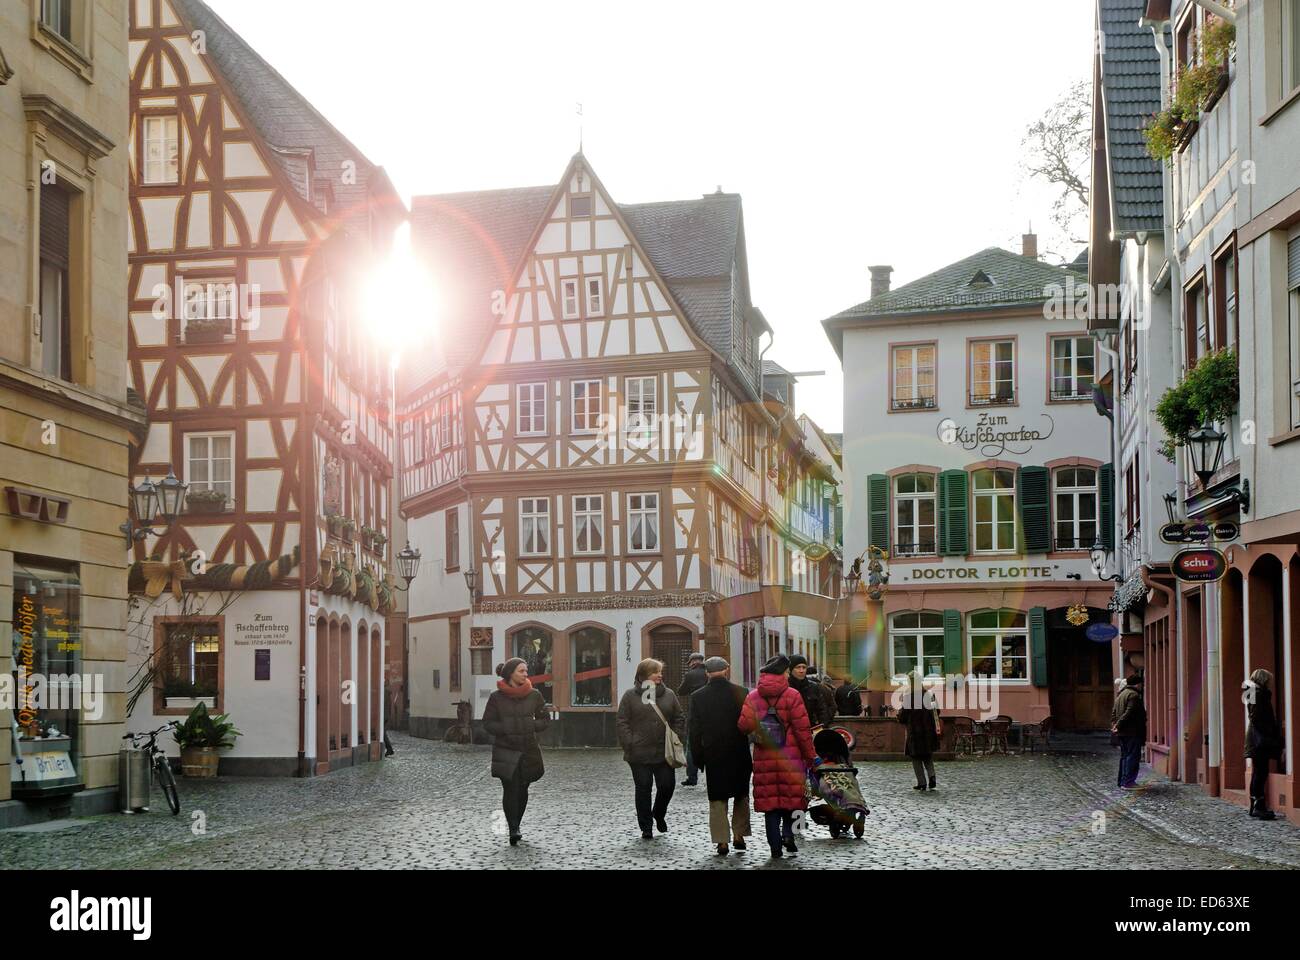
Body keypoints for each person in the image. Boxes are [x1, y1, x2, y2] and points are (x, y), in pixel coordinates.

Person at [738, 655, 816, 859]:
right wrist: (811, 757)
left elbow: (743, 726)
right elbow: (802, 730)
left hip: (765, 755)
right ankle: (788, 834)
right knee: (793, 798)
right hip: (791, 755)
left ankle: (774, 848)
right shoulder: (793, 695)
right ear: (784, 673)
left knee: (771, 804)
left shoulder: (753, 696)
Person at [687, 656, 753, 856]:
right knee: (741, 795)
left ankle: (721, 841)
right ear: (727, 669)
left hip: (714, 753)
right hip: (738, 751)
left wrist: (698, 757)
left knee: (717, 798)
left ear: (707, 672)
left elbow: (694, 730)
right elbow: (749, 723)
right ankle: (739, 835)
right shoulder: (741, 693)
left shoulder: (698, 696)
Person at [482, 658, 551, 846]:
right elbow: (487, 723)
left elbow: (545, 719)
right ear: (511, 673)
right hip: (506, 749)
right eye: (522, 671)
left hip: (528, 749)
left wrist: (530, 725)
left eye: (526, 670)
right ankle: (513, 828)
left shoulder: (534, 695)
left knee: (523, 788)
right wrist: (506, 728)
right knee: (510, 788)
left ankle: (517, 823)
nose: (526, 674)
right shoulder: (496, 697)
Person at [617, 658, 687, 839]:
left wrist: (676, 736)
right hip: (638, 753)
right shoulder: (630, 696)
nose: (659, 675)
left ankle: (658, 813)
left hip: (664, 752)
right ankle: (646, 826)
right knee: (643, 789)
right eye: (655, 672)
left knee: (667, 786)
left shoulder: (669, 694)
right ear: (643, 675)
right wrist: (629, 742)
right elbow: (622, 721)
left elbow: (679, 717)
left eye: (660, 672)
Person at [1244, 669, 1283, 821]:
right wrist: (1267, 735)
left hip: (1256, 740)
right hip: (1259, 741)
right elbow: (1257, 718)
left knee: (1258, 772)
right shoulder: (1259, 694)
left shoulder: (1253, 693)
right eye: (1268, 680)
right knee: (1260, 772)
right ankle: (1259, 806)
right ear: (1263, 680)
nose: (1270, 683)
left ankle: (1256, 805)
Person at [897, 670, 941, 790]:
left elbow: (903, 717)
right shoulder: (930, 694)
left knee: (916, 757)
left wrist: (898, 714)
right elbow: (937, 711)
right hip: (928, 731)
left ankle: (922, 782)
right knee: (927, 755)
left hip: (915, 732)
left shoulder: (909, 697)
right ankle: (932, 777)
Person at [676, 652, 709, 786]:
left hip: (695, 714)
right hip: (711, 714)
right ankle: (712, 776)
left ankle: (692, 777)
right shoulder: (709, 672)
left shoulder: (690, 675)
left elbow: (681, 691)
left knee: (691, 746)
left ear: (692, 662)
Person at [1111, 673, 1146, 789]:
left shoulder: (1120, 695)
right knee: (1132, 756)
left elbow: (1114, 712)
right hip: (1132, 731)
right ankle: (1128, 782)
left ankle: (1122, 781)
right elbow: (1129, 712)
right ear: (1138, 684)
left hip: (1122, 732)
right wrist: (1119, 725)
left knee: (1125, 756)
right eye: (1141, 684)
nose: (1142, 686)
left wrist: (1114, 725)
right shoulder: (1133, 695)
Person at [789, 654, 836, 729]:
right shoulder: (786, 687)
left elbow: (822, 710)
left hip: (811, 729)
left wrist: (822, 726)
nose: (801, 671)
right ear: (791, 669)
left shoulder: (814, 687)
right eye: (798, 667)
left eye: (804, 667)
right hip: (791, 731)